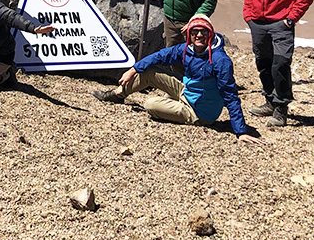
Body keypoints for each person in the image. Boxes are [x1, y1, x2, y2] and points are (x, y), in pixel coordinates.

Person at [93, 15, 260, 145]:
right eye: (195, 32)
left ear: (210, 33)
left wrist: (241, 131)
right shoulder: (187, 48)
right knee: (149, 71)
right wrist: (133, 69)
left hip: (200, 112)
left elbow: (230, 94)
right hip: (187, 91)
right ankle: (117, 94)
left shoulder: (220, 60)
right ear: (189, 34)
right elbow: (159, 56)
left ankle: (174, 105)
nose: (199, 35)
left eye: (203, 31)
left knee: (150, 104)